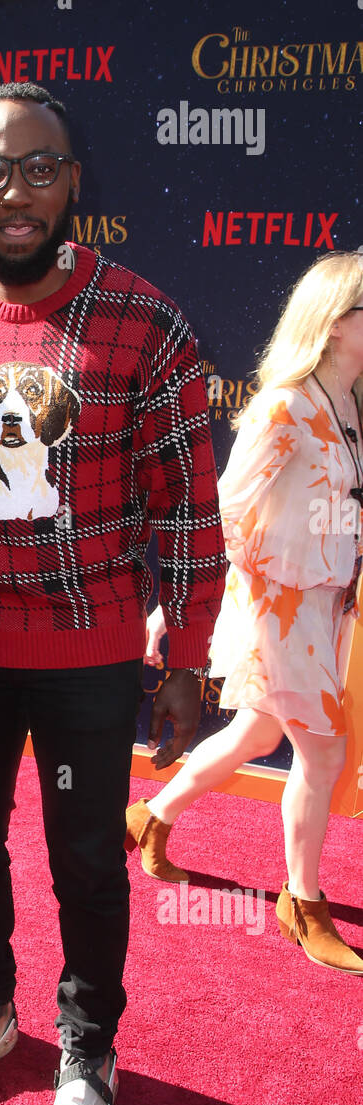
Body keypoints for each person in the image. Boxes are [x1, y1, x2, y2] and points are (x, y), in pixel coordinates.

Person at [0, 82, 226, 1105]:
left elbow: (188, 504)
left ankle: (86, 1052)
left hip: (91, 653)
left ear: (73, 180)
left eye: (38, 167)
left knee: (87, 860)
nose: (15, 192)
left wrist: (183, 657)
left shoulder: (145, 322)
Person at [126, 251, 363, 975]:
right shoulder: (284, 405)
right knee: (322, 751)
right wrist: (177, 607)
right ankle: (303, 903)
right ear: (331, 324)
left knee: (255, 736)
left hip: (322, 605)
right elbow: (221, 507)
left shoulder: (348, 402)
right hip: (275, 606)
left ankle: (149, 816)